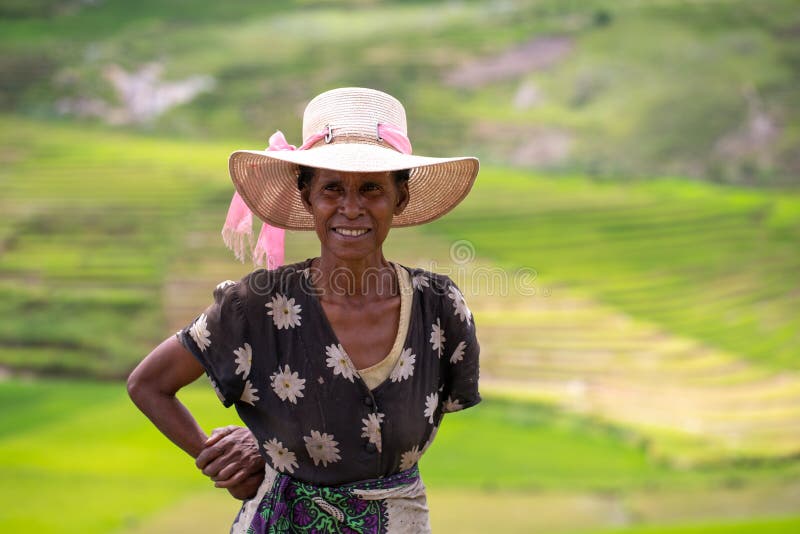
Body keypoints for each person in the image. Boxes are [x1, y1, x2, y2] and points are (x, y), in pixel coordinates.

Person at [128, 87, 481, 533]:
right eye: (332, 188)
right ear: (307, 197)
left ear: (401, 198)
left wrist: (271, 440)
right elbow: (148, 384)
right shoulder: (256, 304)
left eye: (371, 188)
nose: (351, 208)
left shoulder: (439, 309)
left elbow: (372, 430)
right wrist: (227, 458)